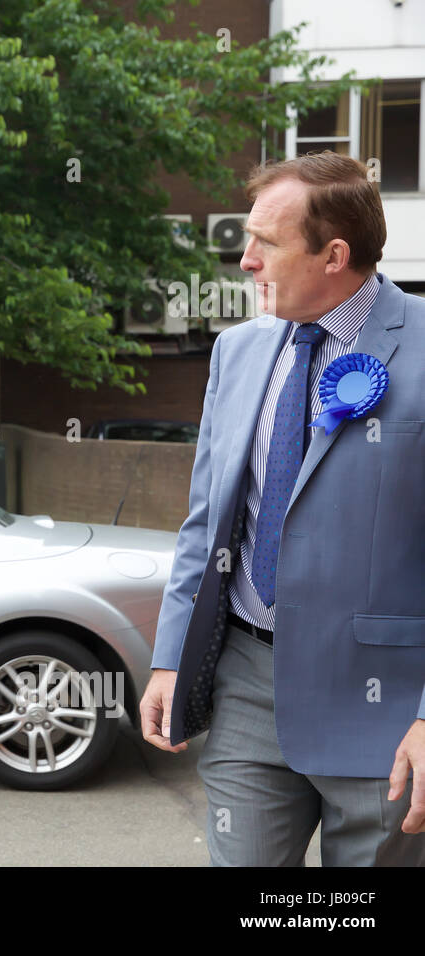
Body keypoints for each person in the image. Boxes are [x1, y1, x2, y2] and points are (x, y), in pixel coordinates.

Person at [140, 152, 425, 866]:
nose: (245, 262)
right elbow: (205, 523)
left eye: (266, 242)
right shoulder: (237, 351)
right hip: (246, 690)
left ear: (335, 255)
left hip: (384, 708)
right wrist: (171, 657)